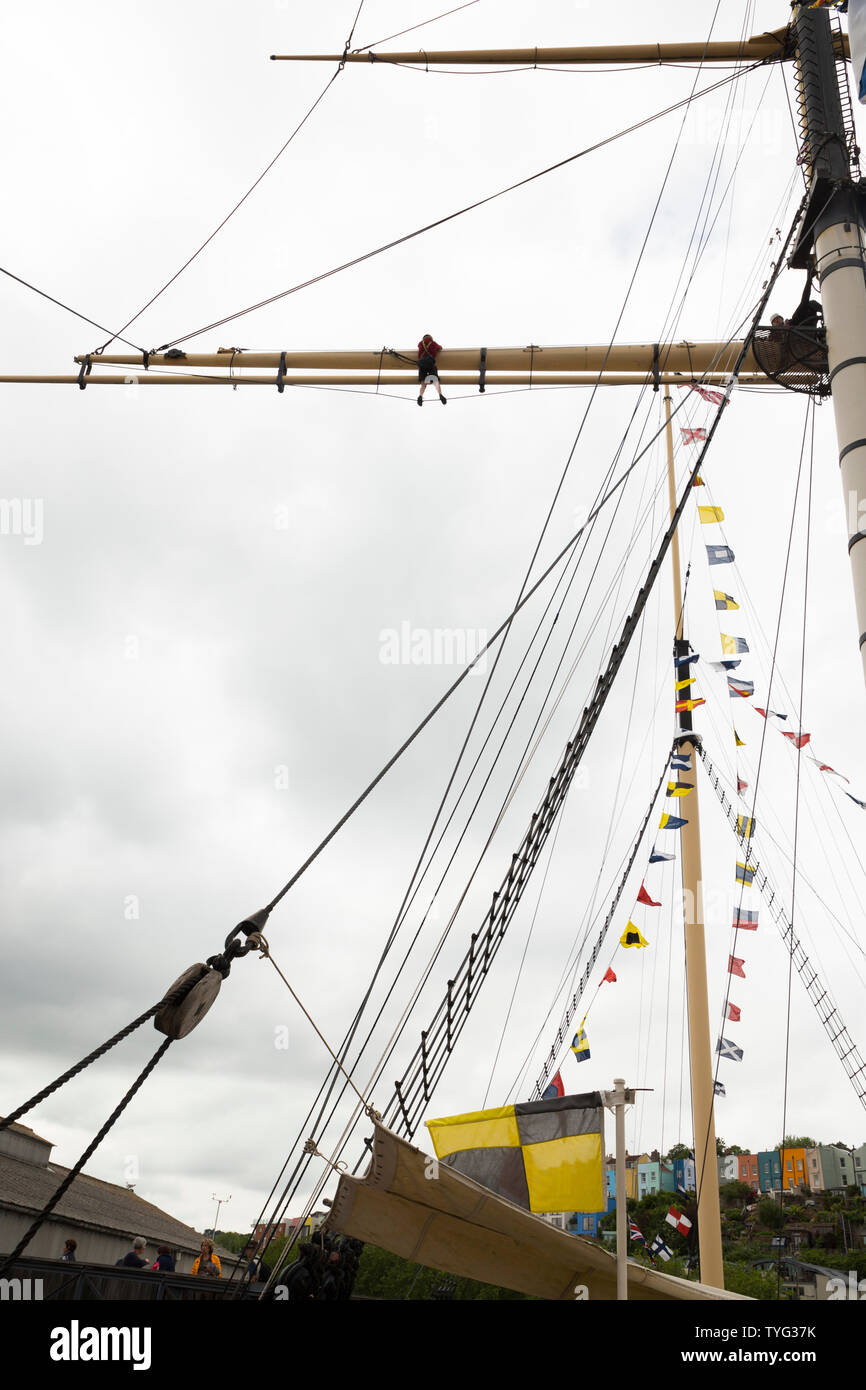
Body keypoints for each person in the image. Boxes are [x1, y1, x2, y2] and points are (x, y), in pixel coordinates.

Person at [417, 333, 447, 406]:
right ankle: (440, 394)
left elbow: (419, 351)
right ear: (431, 338)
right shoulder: (433, 343)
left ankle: (420, 396)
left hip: (422, 364)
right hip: (430, 364)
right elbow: (440, 347)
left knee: (423, 383)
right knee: (435, 380)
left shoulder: (420, 344)